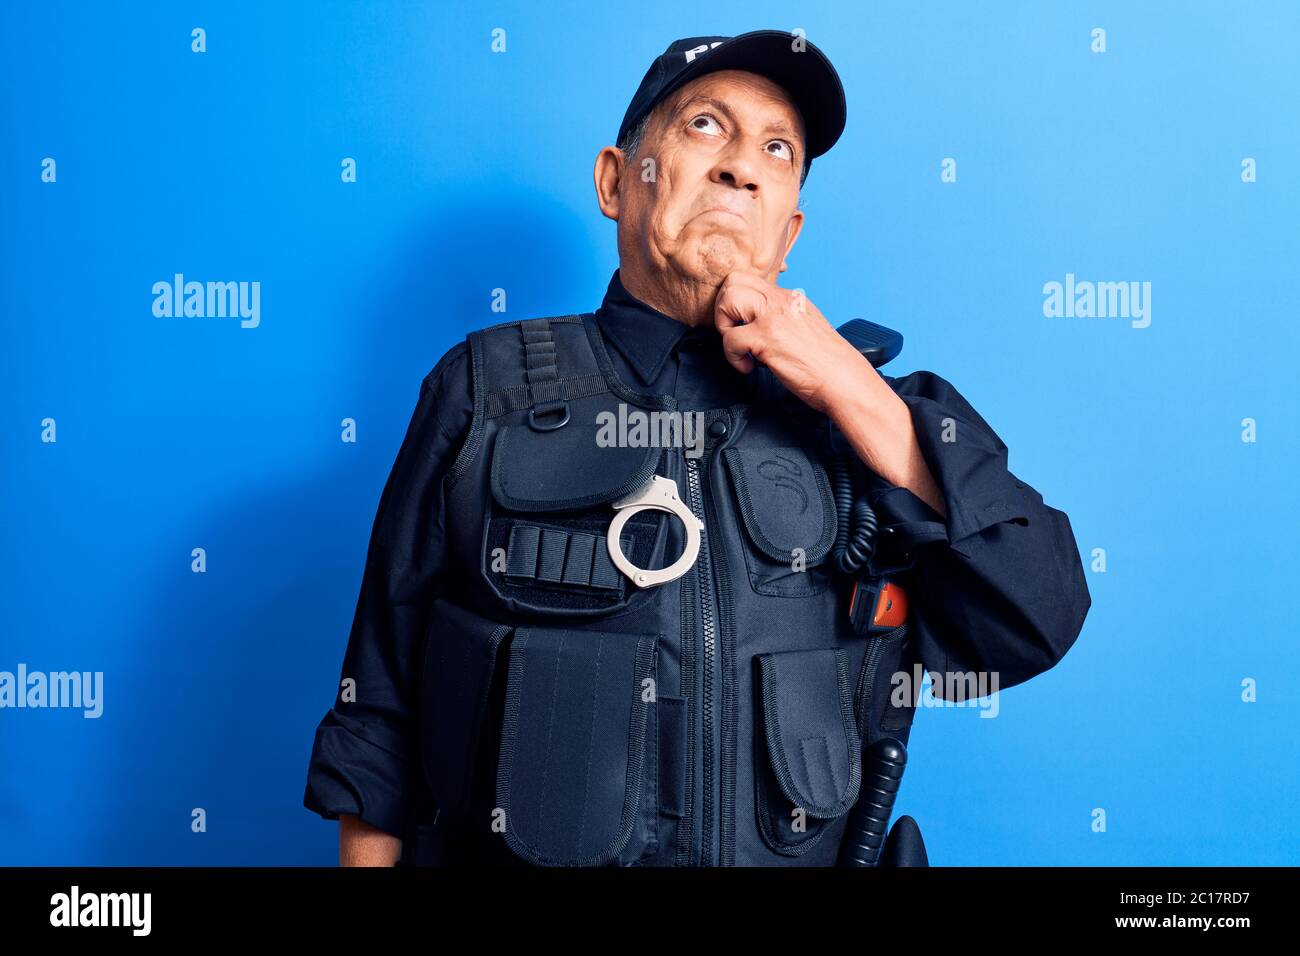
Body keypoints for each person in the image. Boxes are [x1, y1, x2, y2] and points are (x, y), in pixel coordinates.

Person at [303, 30, 1091, 867]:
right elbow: (377, 712)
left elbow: (1037, 617)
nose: (739, 166)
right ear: (616, 181)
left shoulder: (872, 417)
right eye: (705, 126)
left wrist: (852, 392)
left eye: (776, 148)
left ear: (786, 234)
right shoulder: (483, 389)